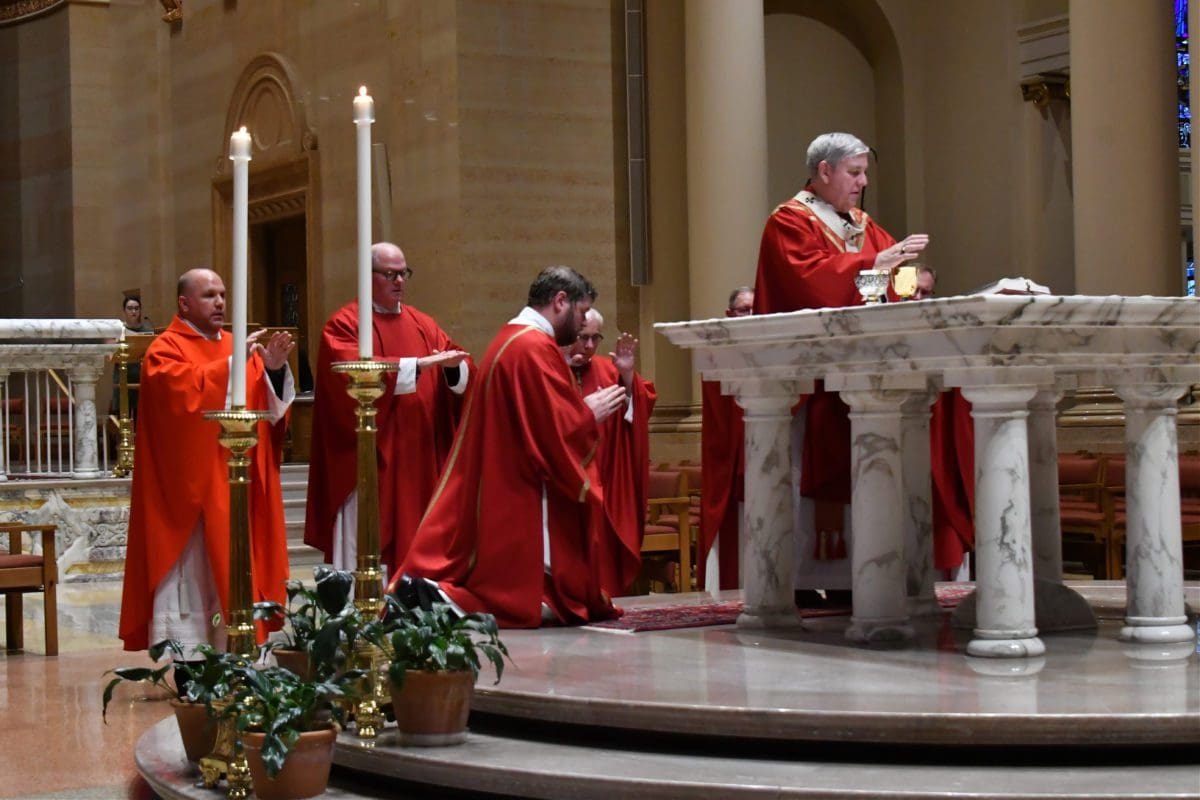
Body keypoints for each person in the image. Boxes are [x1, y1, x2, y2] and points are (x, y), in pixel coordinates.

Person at [392, 266, 628, 628]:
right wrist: (588, 415)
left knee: (517, 584)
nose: (581, 326)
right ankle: (440, 600)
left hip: (504, 473)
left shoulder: (512, 337)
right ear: (560, 300)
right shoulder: (534, 347)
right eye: (580, 313)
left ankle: (436, 598)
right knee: (512, 594)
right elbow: (552, 430)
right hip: (520, 487)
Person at [752, 132, 930, 607]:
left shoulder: (866, 226)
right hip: (810, 383)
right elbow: (810, 282)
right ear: (824, 171)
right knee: (801, 481)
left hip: (865, 378)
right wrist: (877, 263)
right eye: (854, 172)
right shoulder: (788, 222)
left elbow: (894, 279)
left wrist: (908, 285)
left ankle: (860, 577)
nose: (863, 182)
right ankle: (803, 580)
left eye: (865, 172)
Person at [118, 268, 296, 653]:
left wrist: (276, 371)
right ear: (184, 303)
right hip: (190, 498)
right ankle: (190, 662)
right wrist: (231, 363)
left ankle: (239, 653)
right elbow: (178, 403)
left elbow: (267, 413)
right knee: (197, 579)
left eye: (222, 294)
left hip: (237, 488)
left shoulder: (240, 348)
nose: (219, 302)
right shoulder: (164, 350)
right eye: (209, 295)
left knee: (235, 575)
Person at [304, 242, 470, 578]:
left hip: (420, 458)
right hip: (370, 460)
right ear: (368, 278)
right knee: (371, 546)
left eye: (403, 273)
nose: (399, 282)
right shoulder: (345, 324)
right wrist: (415, 366)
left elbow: (460, 365)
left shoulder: (424, 324)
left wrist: (452, 369)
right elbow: (349, 374)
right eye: (390, 274)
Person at [563, 307, 656, 599]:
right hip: (565, 476)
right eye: (582, 337)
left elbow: (640, 410)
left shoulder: (608, 369)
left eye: (595, 338)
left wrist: (628, 379)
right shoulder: (550, 367)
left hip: (606, 480)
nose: (589, 346)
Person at [697, 286, 753, 591]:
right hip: (728, 454)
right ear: (729, 314)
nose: (749, 315)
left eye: (754, 309)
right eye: (743, 309)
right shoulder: (715, 353)